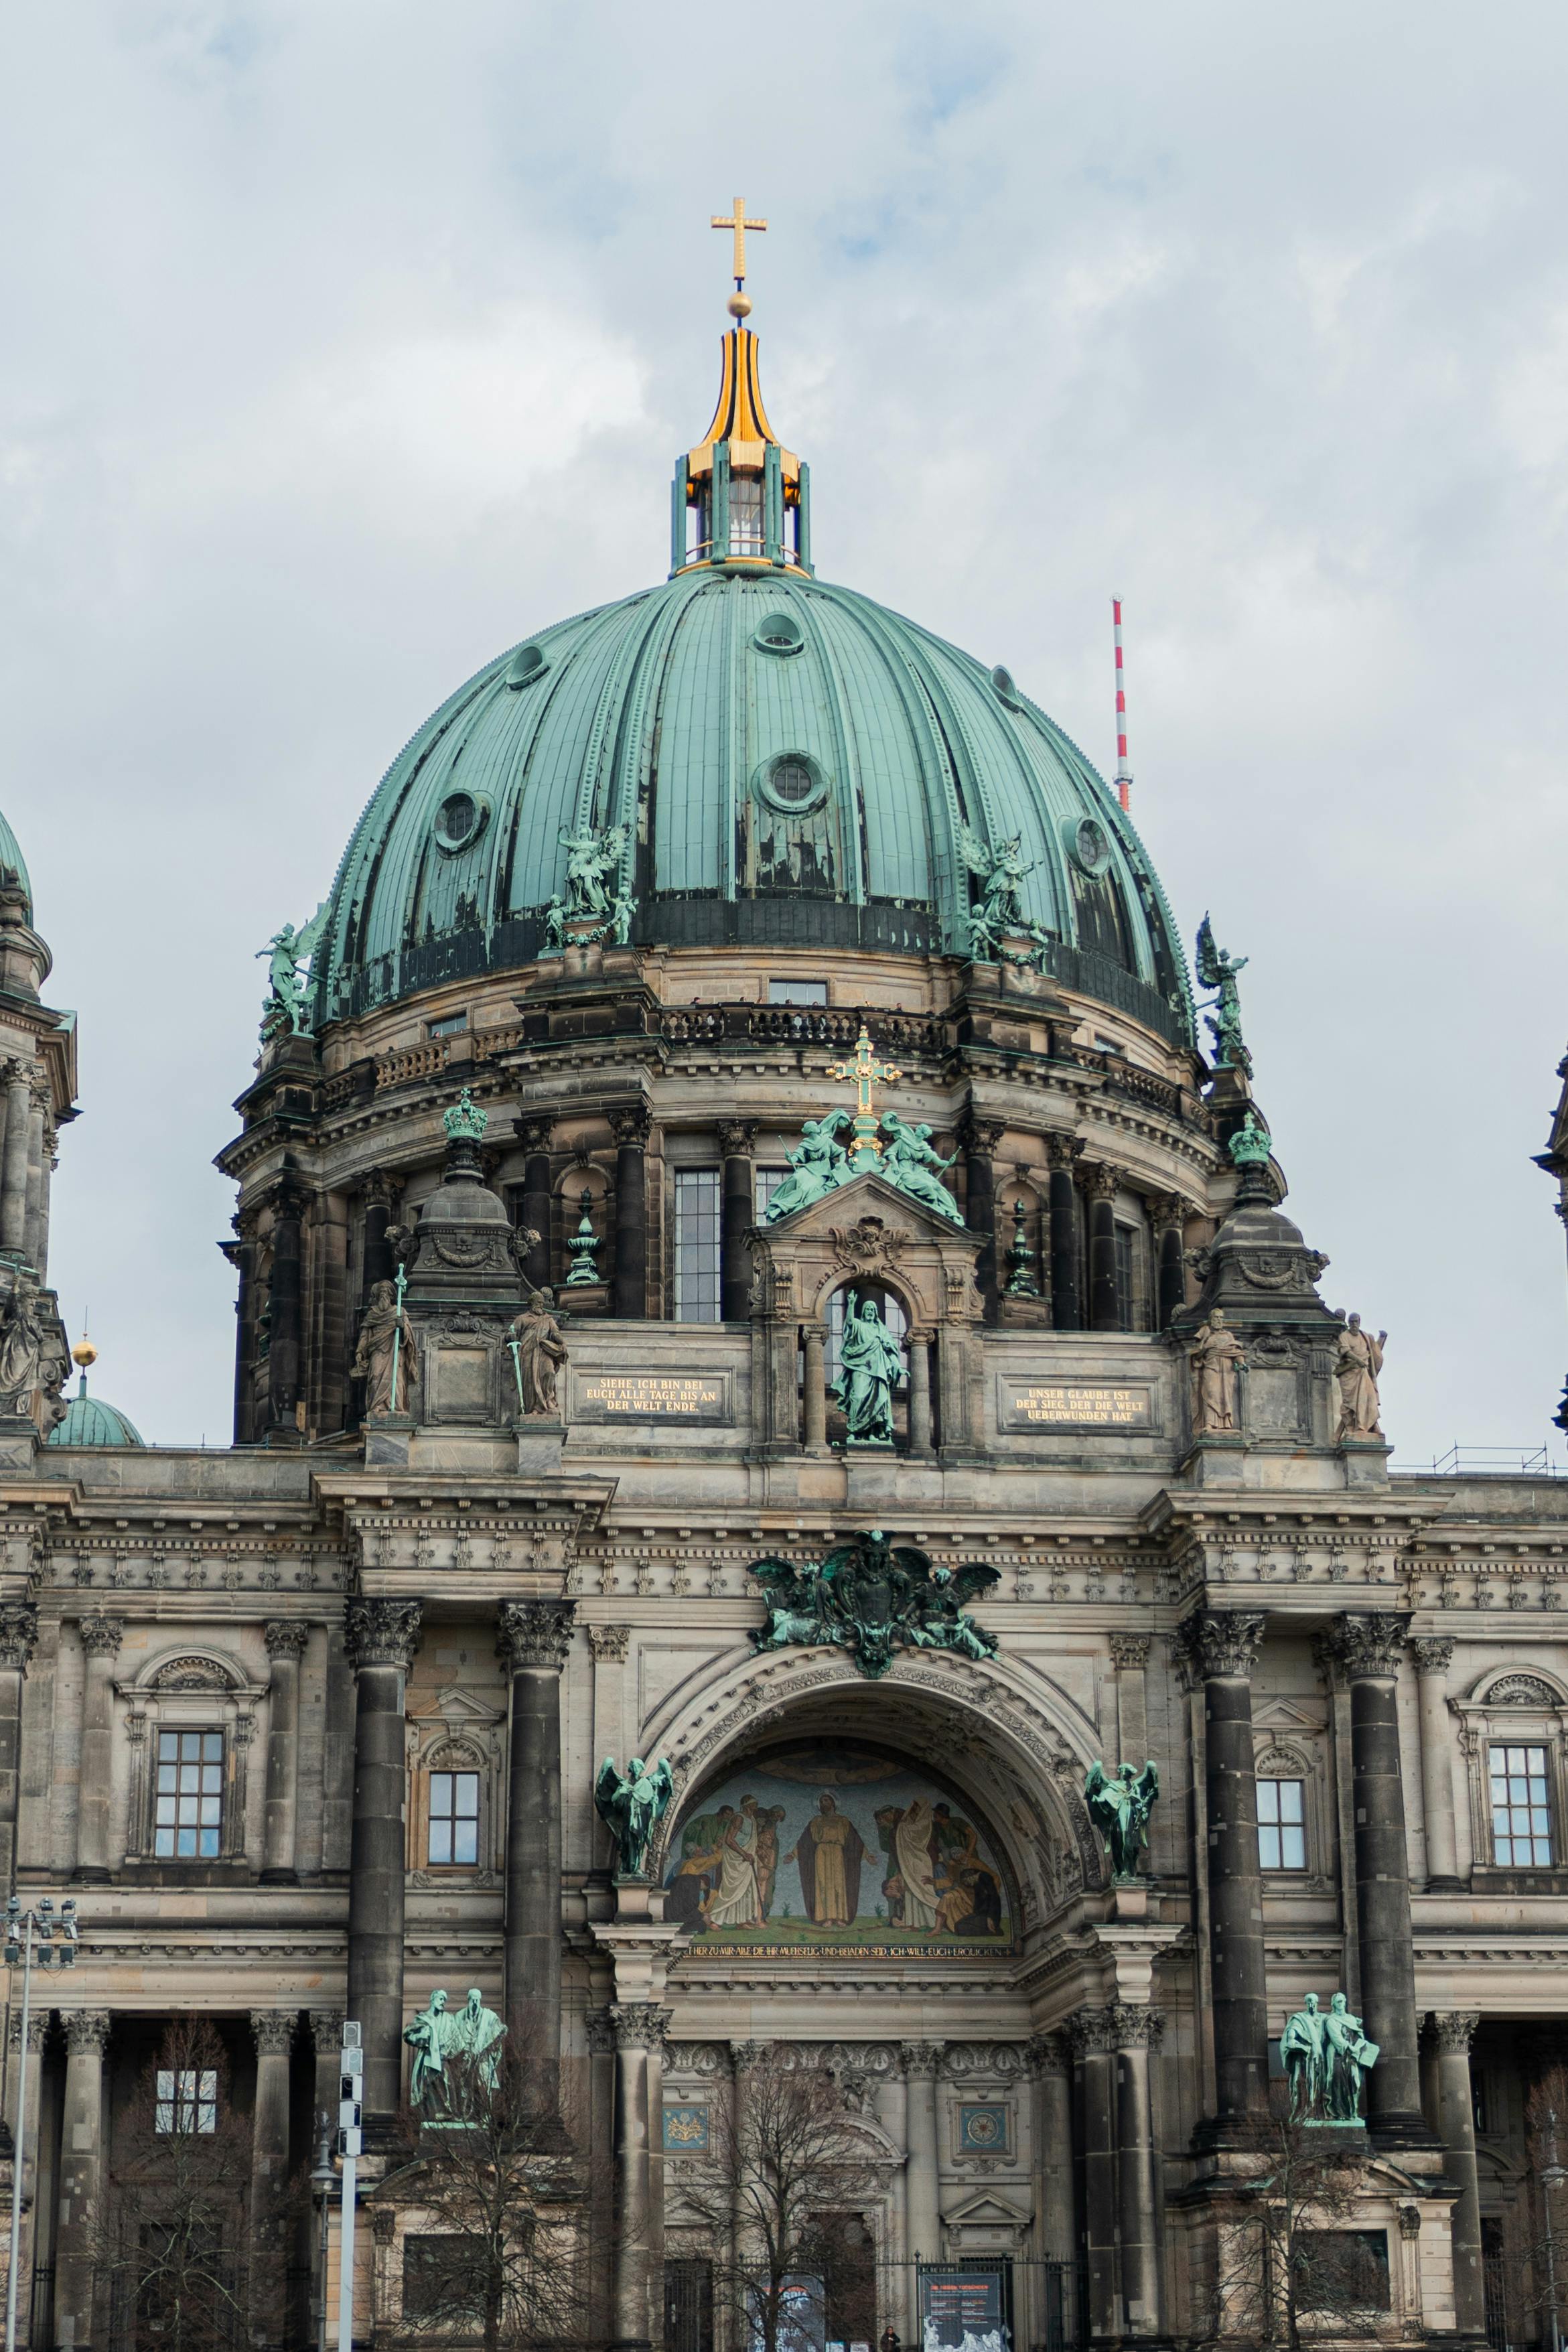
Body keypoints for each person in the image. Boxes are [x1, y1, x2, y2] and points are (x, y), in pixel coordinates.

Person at [786, 1793, 868, 1929]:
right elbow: (805, 1841)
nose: (823, 1803)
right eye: (821, 1801)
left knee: (839, 1884)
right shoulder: (816, 1821)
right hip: (821, 1852)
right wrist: (793, 1854)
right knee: (822, 1884)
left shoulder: (843, 1821)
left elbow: (855, 1841)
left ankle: (840, 1917)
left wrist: (866, 1854)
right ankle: (825, 1917)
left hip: (837, 1852)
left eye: (826, 1800)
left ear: (833, 1803)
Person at [834, 1293, 905, 1445]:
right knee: (858, 1397)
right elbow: (850, 1323)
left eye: (873, 1309)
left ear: (876, 1313)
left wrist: (899, 1367)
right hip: (860, 1367)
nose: (870, 1311)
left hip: (878, 1370)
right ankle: (854, 1431)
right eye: (868, 1309)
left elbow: (890, 1350)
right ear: (864, 1311)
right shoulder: (860, 1325)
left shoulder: (881, 1329)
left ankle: (873, 1432)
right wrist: (852, 1304)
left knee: (878, 1401)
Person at [352, 1279, 419, 1417]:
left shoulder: (400, 1312)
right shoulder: (372, 1314)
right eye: (381, 1293)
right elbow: (365, 1335)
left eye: (385, 1293)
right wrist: (359, 1352)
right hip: (377, 1351)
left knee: (395, 1379)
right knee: (375, 1377)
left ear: (390, 1296)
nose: (383, 1295)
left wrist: (402, 1326)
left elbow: (410, 1335)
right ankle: (377, 1406)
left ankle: (394, 1406)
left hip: (395, 1350)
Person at [509, 1290, 569, 1417]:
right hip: (527, 1353)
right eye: (538, 1303)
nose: (541, 1306)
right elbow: (511, 1333)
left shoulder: (548, 1319)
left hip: (543, 1351)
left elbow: (555, 1333)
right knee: (530, 1382)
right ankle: (534, 1408)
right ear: (532, 1303)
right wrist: (511, 1336)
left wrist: (562, 1342)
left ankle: (548, 1401)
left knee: (549, 1373)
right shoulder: (522, 1319)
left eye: (542, 1303)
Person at [1188, 1308, 1244, 1436]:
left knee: (1225, 1396)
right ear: (1210, 1320)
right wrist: (1206, 1347)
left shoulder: (1228, 1336)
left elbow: (1236, 1352)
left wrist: (1242, 1364)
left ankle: (1225, 1424)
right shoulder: (1205, 1332)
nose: (1219, 1320)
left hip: (1226, 1370)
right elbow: (1196, 1355)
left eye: (1221, 1318)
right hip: (1210, 1367)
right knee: (1210, 1394)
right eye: (1216, 1318)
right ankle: (1209, 1424)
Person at [1334, 1314, 1387, 1441]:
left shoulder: (1365, 1337)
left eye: (1356, 1322)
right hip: (1350, 1373)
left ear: (1360, 1322)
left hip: (1363, 1373)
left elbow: (1375, 1353)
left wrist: (1382, 1338)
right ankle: (1353, 1426)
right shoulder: (1344, 1336)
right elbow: (1345, 1352)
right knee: (1349, 1403)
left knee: (1369, 1399)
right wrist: (1359, 1360)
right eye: (1351, 1322)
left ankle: (1370, 1425)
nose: (1354, 1324)